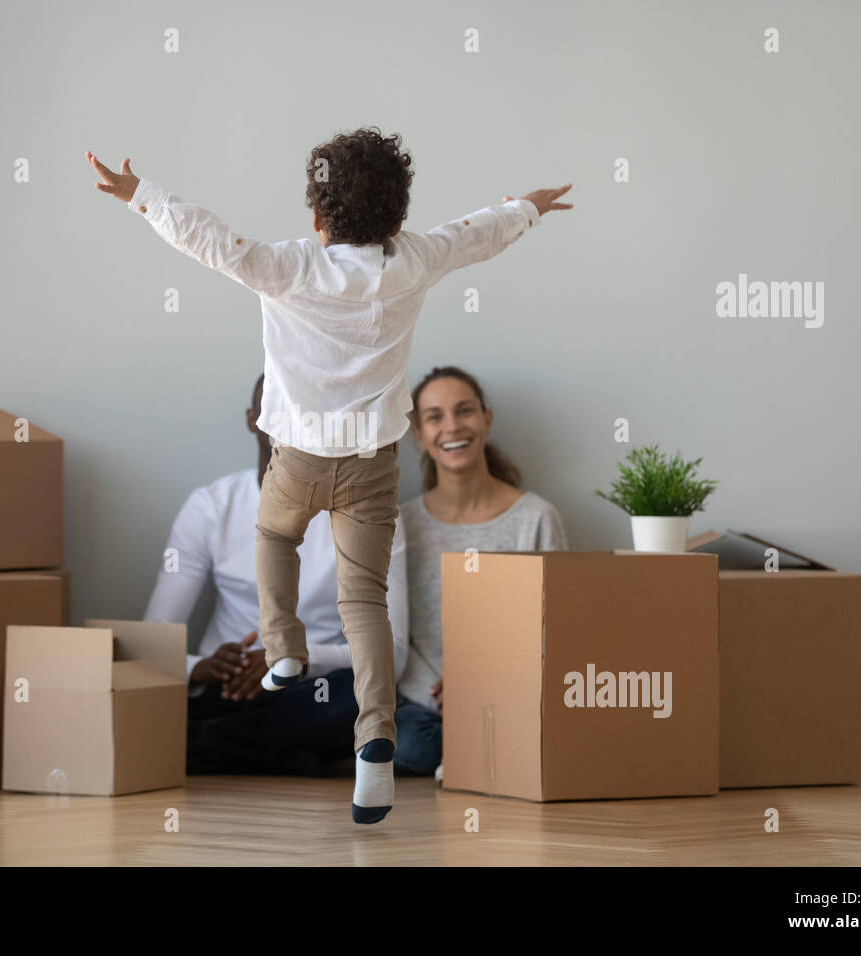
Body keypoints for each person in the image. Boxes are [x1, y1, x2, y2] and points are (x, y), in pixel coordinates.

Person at [87, 127, 573, 823]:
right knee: (366, 604)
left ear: (317, 219)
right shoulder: (415, 259)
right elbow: (478, 233)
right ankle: (374, 741)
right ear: (399, 219)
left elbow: (207, 238)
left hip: (299, 460)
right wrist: (528, 206)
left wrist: (140, 195)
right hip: (374, 468)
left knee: (273, 538)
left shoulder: (286, 267)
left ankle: (283, 648)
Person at [143, 374, 408, 776]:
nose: (291, 421)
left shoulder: (369, 510)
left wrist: (292, 658)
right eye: (277, 409)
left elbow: (393, 654)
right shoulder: (212, 506)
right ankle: (284, 756)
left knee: (360, 700)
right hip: (226, 690)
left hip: (313, 688)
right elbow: (153, 637)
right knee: (160, 697)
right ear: (253, 420)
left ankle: (207, 747)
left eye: (305, 410)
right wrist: (200, 667)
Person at [395, 366, 569, 778]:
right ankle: (484, 750)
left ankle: (484, 746)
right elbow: (397, 634)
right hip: (429, 703)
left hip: (512, 693)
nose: (452, 426)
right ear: (418, 434)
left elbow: (555, 629)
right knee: (410, 746)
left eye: (465, 411)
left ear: (486, 420)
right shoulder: (401, 526)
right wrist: (446, 696)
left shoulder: (537, 518)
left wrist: (482, 684)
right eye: (435, 416)